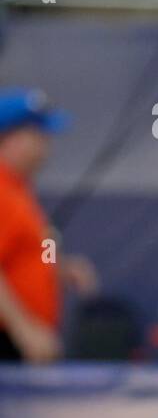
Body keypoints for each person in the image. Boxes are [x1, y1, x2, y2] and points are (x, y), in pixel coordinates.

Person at [0, 89, 96, 363]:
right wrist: (24, 329)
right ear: (11, 139)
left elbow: (31, 248)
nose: (46, 147)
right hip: (9, 339)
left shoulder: (19, 189)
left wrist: (60, 268)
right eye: (39, 136)